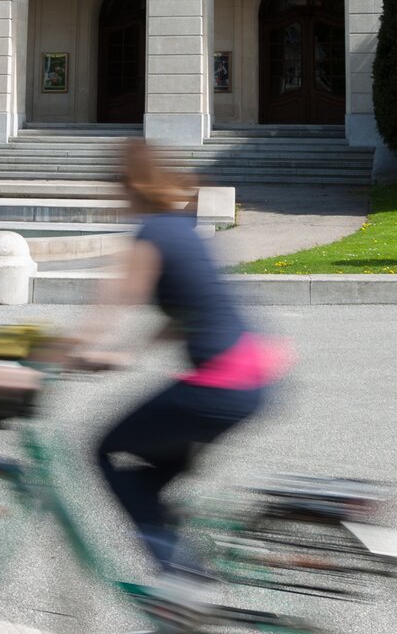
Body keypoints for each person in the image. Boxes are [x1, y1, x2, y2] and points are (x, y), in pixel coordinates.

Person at [73, 141, 291, 589]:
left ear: (130, 185)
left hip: (220, 384)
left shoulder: (151, 235)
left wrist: (60, 353)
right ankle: (184, 563)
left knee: (104, 448)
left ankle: (182, 587)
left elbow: (109, 309)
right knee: (155, 469)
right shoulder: (183, 229)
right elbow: (185, 313)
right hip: (255, 375)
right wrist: (128, 353)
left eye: (116, 185)